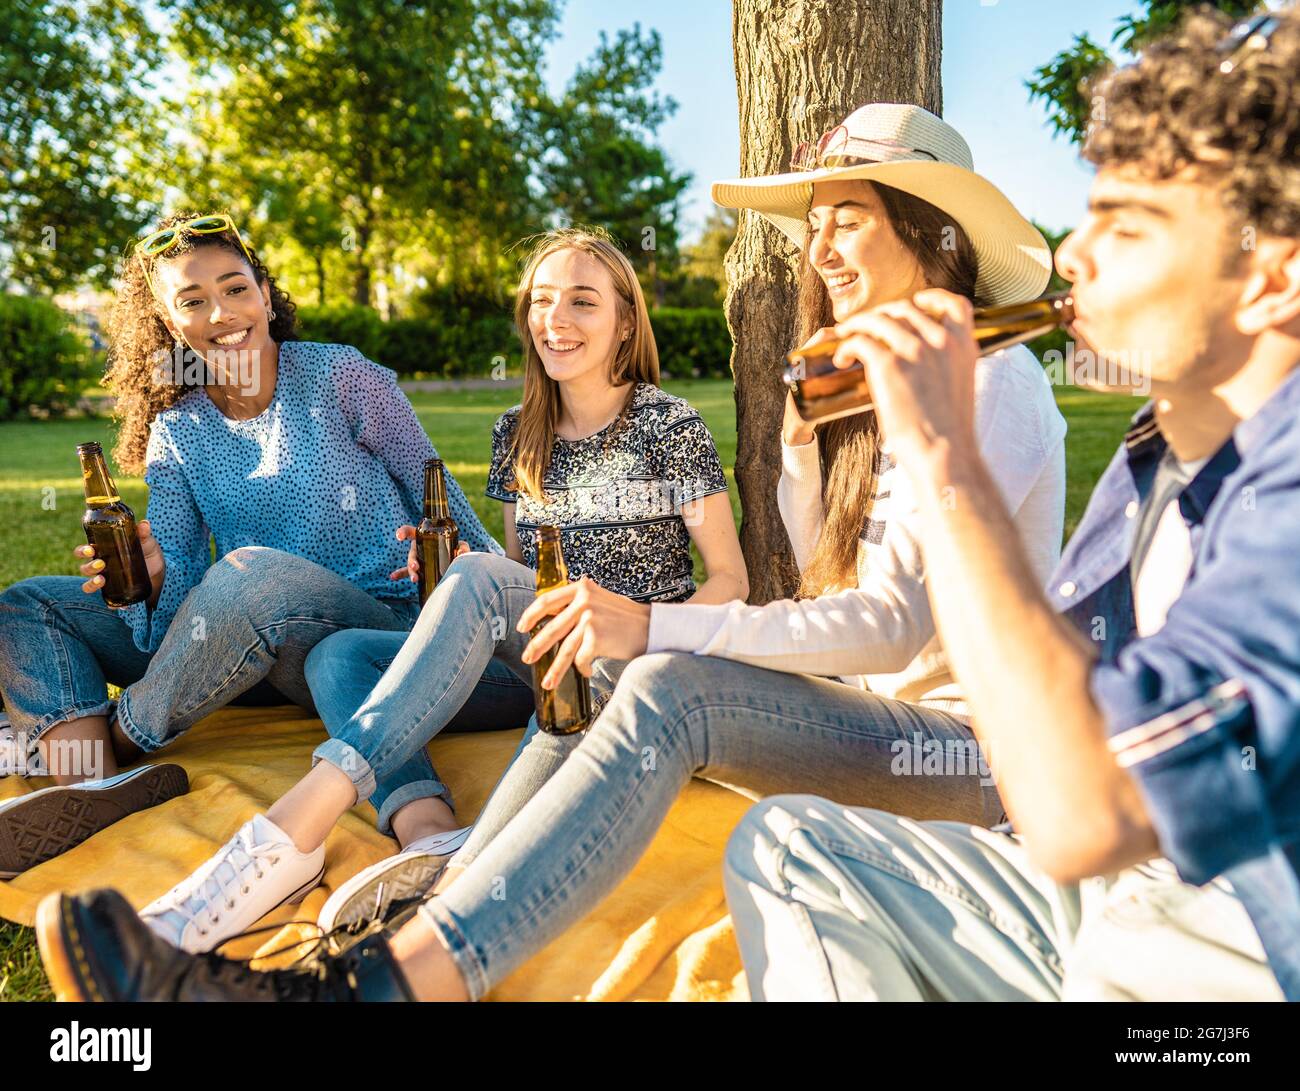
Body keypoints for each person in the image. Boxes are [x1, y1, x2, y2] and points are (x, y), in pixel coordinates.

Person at [32, 105, 1073, 1000]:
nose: (822, 249)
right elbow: (825, 588)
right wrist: (802, 454)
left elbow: (887, 621)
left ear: (933, 237)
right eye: (816, 226)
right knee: (488, 634)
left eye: (850, 219)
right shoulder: (852, 390)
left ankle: (289, 873)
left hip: (958, 745)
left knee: (655, 680)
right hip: (827, 700)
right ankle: (412, 894)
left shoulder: (994, 380)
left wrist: (642, 619)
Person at [717, 10, 1300, 1001]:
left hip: (1231, 949)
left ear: (1269, 279)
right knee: (787, 844)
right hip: (1090, 896)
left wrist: (942, 456)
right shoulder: (1153, 459)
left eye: (1125, 222)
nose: (1074, 256)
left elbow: (1086, 804)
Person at [129, 226, 748, 953]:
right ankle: (424, 828)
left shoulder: (668, 423)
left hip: (631, 658)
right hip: (539, 657)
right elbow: (516, 577)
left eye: (582, 301)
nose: (557, 319)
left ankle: (413, 877)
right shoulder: (520, 434)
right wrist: (452, 568)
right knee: (337, 658)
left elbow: (731, 580)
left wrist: (637, 631)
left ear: (625, 319)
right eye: (542, 301)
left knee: (539, 767)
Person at [0, 211, 500, 880]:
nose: (222, 312)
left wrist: (477, 576)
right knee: (29, 602)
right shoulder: (177, 431)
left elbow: (449, 504)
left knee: (248, 575)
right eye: (193, 299)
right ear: (169, 323)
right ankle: (87, 784)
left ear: (265, 292)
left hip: (377, 630)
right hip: (244, 645)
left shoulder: (342, 377)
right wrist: (150, 582)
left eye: (236, 287)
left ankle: (123, 737)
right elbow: (176, 609)